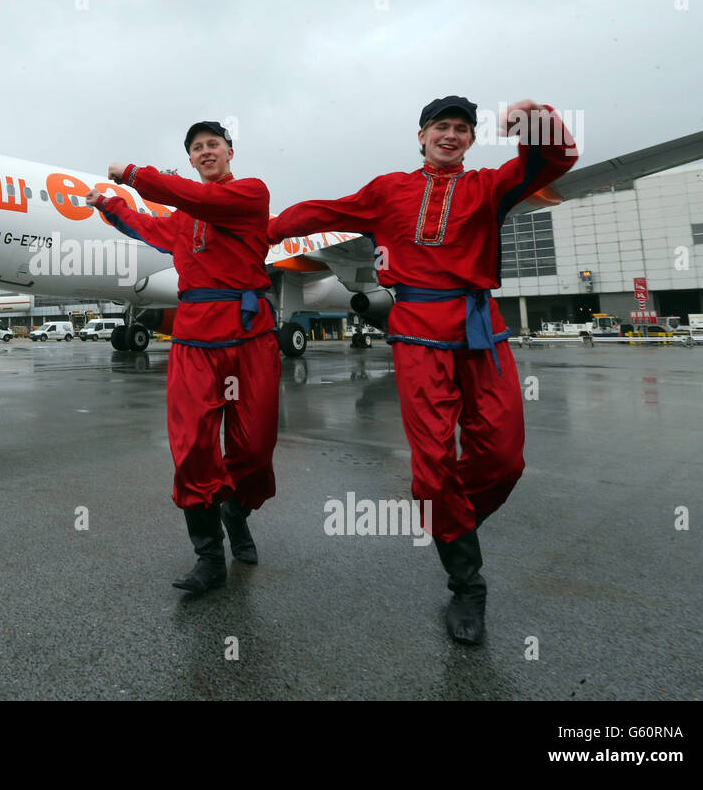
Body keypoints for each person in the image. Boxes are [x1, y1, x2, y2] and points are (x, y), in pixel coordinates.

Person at [266, 96, 578, 643]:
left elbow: (550, 163)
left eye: (461, 128)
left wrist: (533, 120)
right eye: (441, 126)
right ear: (421, 135)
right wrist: (272, 228)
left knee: (505, 456)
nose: (450, 135)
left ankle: (452, 523)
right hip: (416, 332)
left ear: (472, 140)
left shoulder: (488, 185)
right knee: (432, 467)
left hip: (482, 326)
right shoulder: (387, 190)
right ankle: (467, 584)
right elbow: (328, 210)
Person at [86, 120, 280, 595]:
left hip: (250, 336)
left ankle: (236, 510)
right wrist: (108, 205)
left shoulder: (250, 195)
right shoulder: (183, 218)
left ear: (230, 151)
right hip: (195, 342)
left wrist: (133, 174)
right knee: (192, 447)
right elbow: (149, 225)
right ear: (191, 160)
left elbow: (202, 201)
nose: (206, 151)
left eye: (213, 144)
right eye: (197, 148)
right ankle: (209, 557)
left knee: (254, 448)